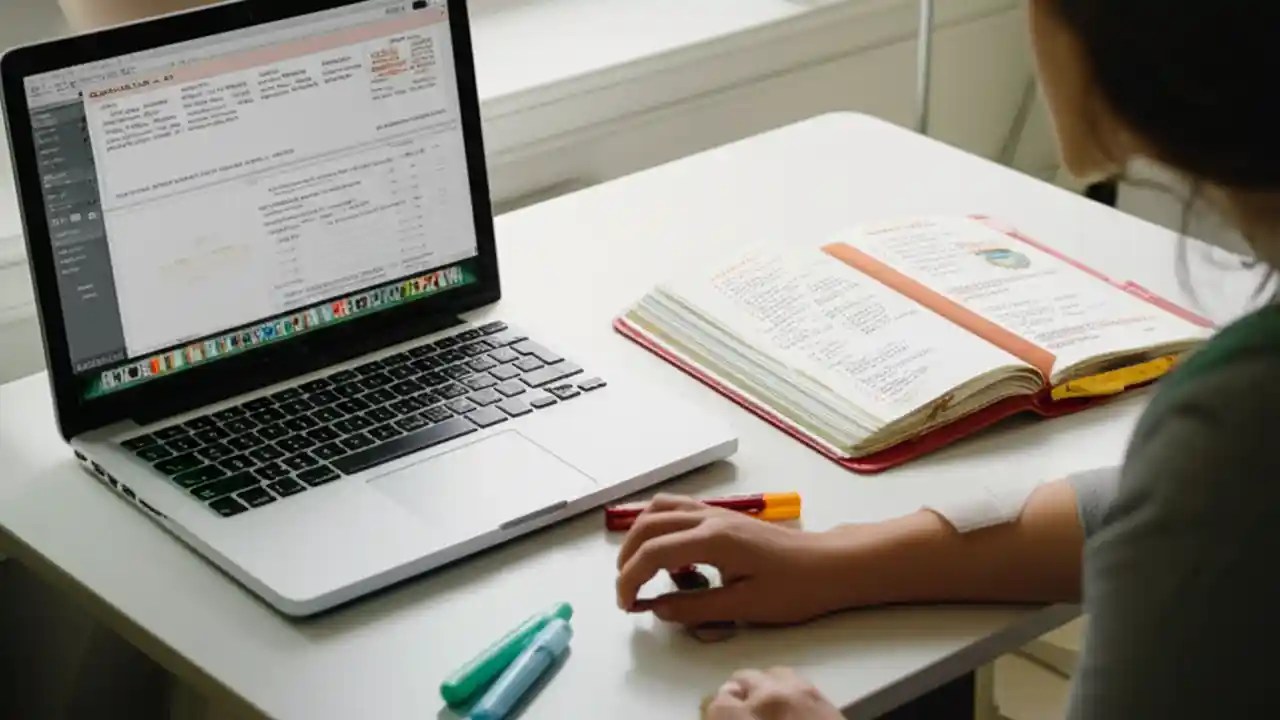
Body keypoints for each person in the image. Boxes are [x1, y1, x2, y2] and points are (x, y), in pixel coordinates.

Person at [617, 1, 1280, 717]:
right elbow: (1146, 500)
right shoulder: (1231, 447)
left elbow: (1208, 489)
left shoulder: (1242, 429)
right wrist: (837, 557)